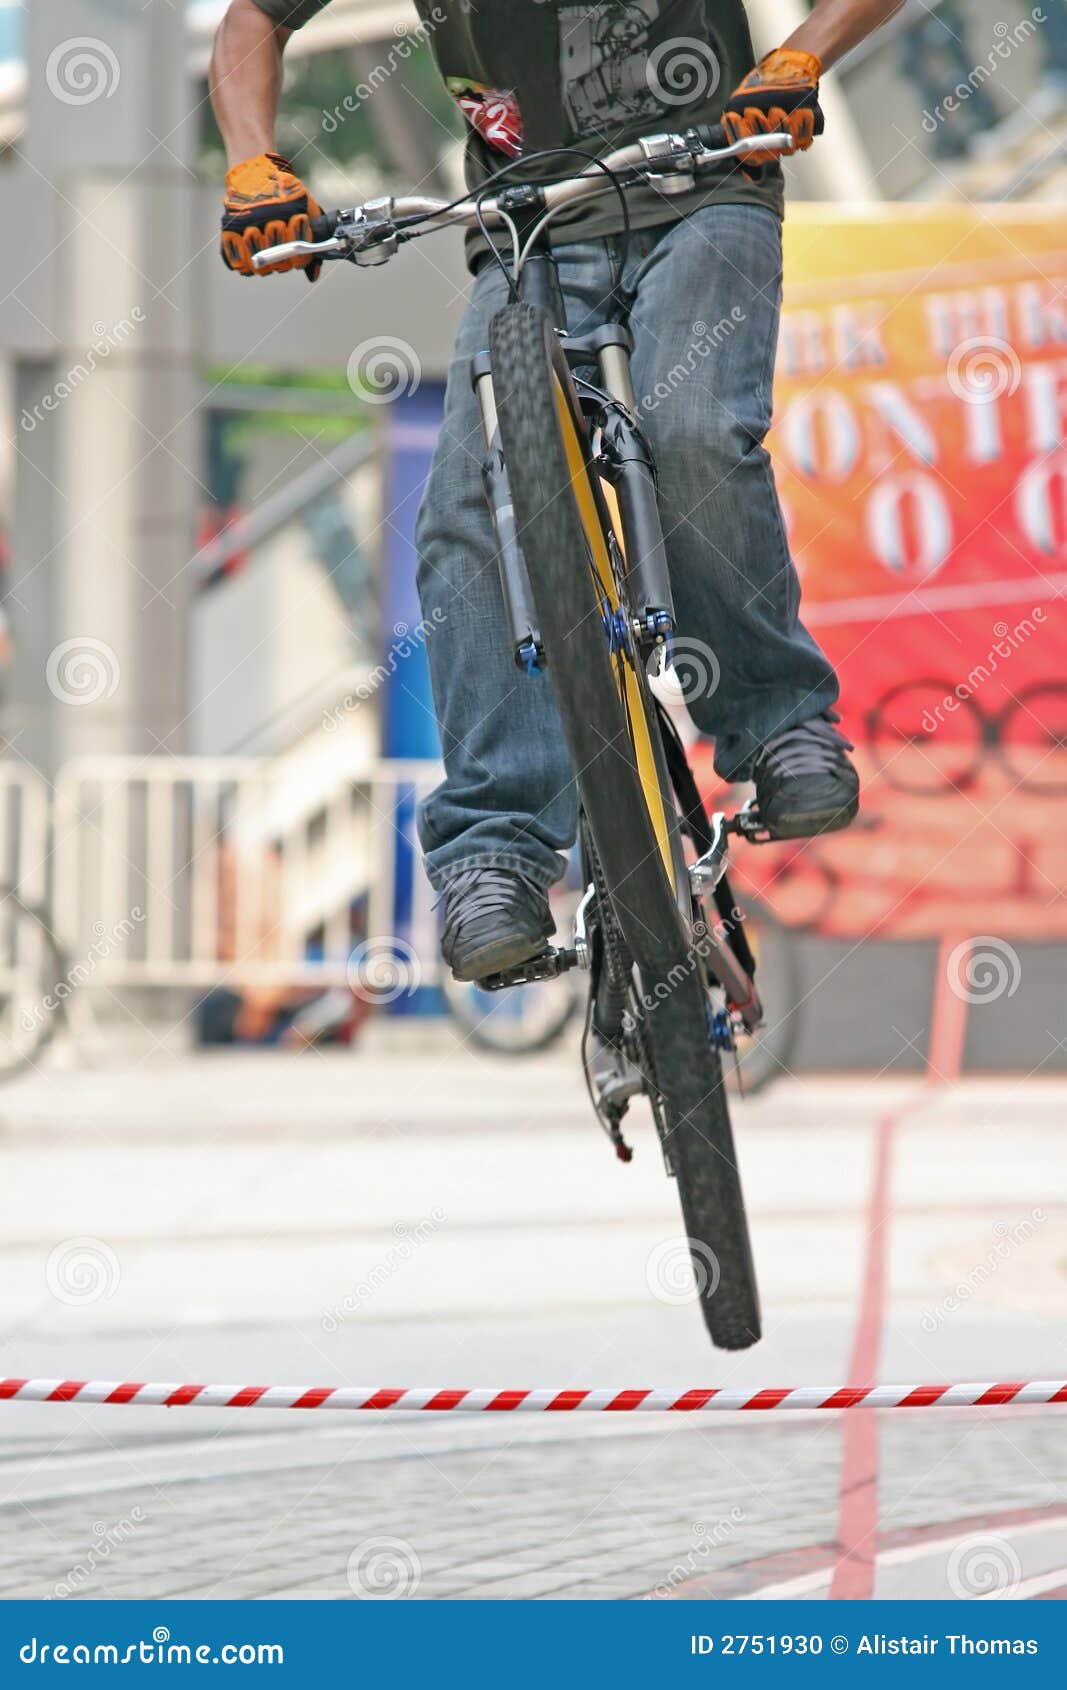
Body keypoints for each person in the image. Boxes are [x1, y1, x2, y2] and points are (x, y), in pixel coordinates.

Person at [211, 1, 895, 984]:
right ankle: (494, 852)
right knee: (463, 508)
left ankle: (777, 721)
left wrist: (797, 60)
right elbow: (252, 22)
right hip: (527, 225)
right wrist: (251, 163)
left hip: (704, 187)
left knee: (693, 430)